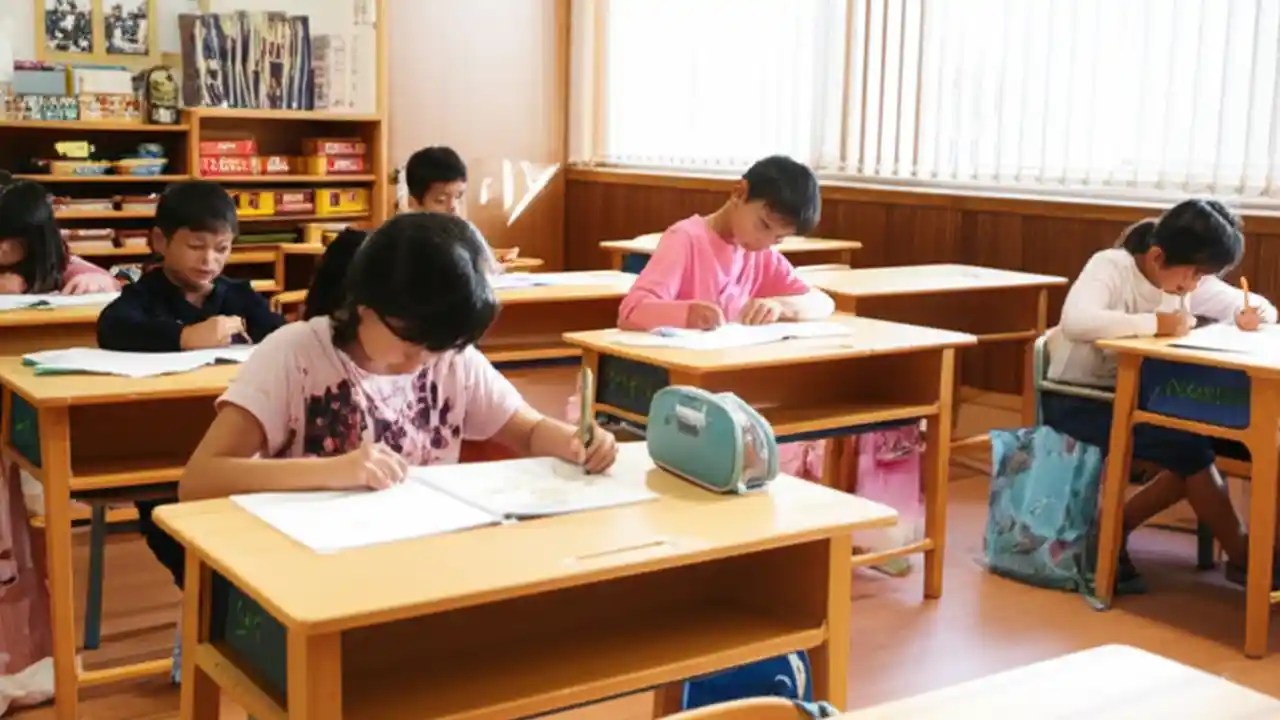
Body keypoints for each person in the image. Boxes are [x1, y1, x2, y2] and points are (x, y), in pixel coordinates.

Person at [179, 212, 618, 504]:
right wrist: (333, 472)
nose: (420, 364)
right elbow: (200, 480)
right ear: (365, 308)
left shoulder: (448, 355)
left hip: (416, 548)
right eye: (409, 347)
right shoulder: (295, 354)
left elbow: (528, 432)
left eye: (437, 351)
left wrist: (571, 441)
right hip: (314, 556)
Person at [1044, 198, 1278, 588]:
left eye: (1206, 276)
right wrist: (1156, 323)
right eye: (1196, 274)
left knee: (1208, 443)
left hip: (1141, 400)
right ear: (1157, 256)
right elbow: (1077, 320)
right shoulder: (1111, 266)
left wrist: (1250, 314)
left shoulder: (1184, 281)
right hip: (1079, 398)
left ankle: (1111, 529)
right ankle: (1246, 559)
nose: (1197, 285)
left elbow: (1259, 306)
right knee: (1190, 451)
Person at [617, 155, 835, 330]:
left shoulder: (761, 254)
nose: (765, 242)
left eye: (779, 238)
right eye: (764, 225)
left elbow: (822, 302)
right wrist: (687, 315)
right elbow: (631, 312)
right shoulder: (685, 239)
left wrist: (780, 307)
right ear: (739, 193)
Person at [97, 180, 285, 353]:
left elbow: (279, 333)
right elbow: (111, 328)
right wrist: (186, 336)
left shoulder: (239, 295)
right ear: (160, 241)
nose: (208, 260)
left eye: (221, 248)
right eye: (196, 246)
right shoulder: (145, 295)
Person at [0, 180, 119, 295]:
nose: (3, 246)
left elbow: (106, 282)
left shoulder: (56, 263)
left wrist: (98, 281)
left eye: (6, 236)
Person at [403, 145, 506, 270]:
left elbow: (490, 275)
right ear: (412, 202)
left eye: (459, 197)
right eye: (441, 200)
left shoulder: (468, 235)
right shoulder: (399, 243)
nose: (453, 207)